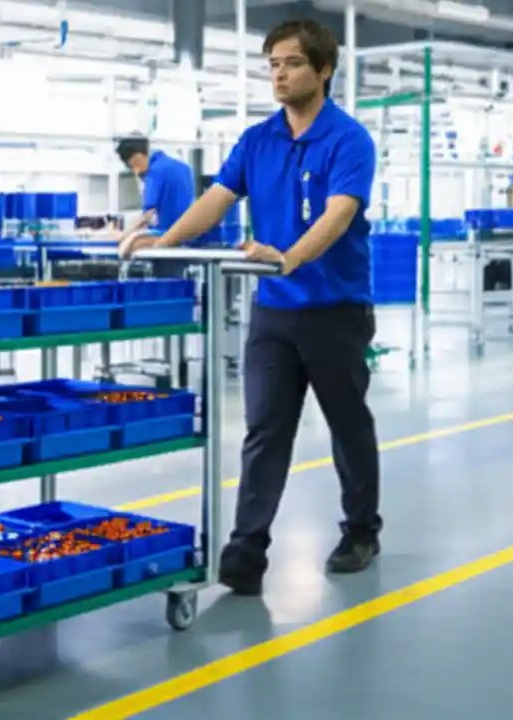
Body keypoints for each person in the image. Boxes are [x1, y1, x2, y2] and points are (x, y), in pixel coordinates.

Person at [120, 19, 382, 594]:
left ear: (323, 70)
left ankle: (361, 530)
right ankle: (247, 548)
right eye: (272, 64)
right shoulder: (258, 140)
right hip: (274, 312)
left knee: (347, 425)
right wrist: (161, 246)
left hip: (335, 308)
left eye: (290, 63)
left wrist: (285, 258)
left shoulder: (349, 139)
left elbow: (338, 216)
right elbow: (215, 201)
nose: (279, 74)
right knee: (264, 429)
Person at [115, 135, 198, 277]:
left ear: (138, 157)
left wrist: (125, 235)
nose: (136, 171)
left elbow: (148, 214)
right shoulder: (183, 167)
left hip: (166, 238)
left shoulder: (154, 172)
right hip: (188, 236)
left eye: (133, 165)